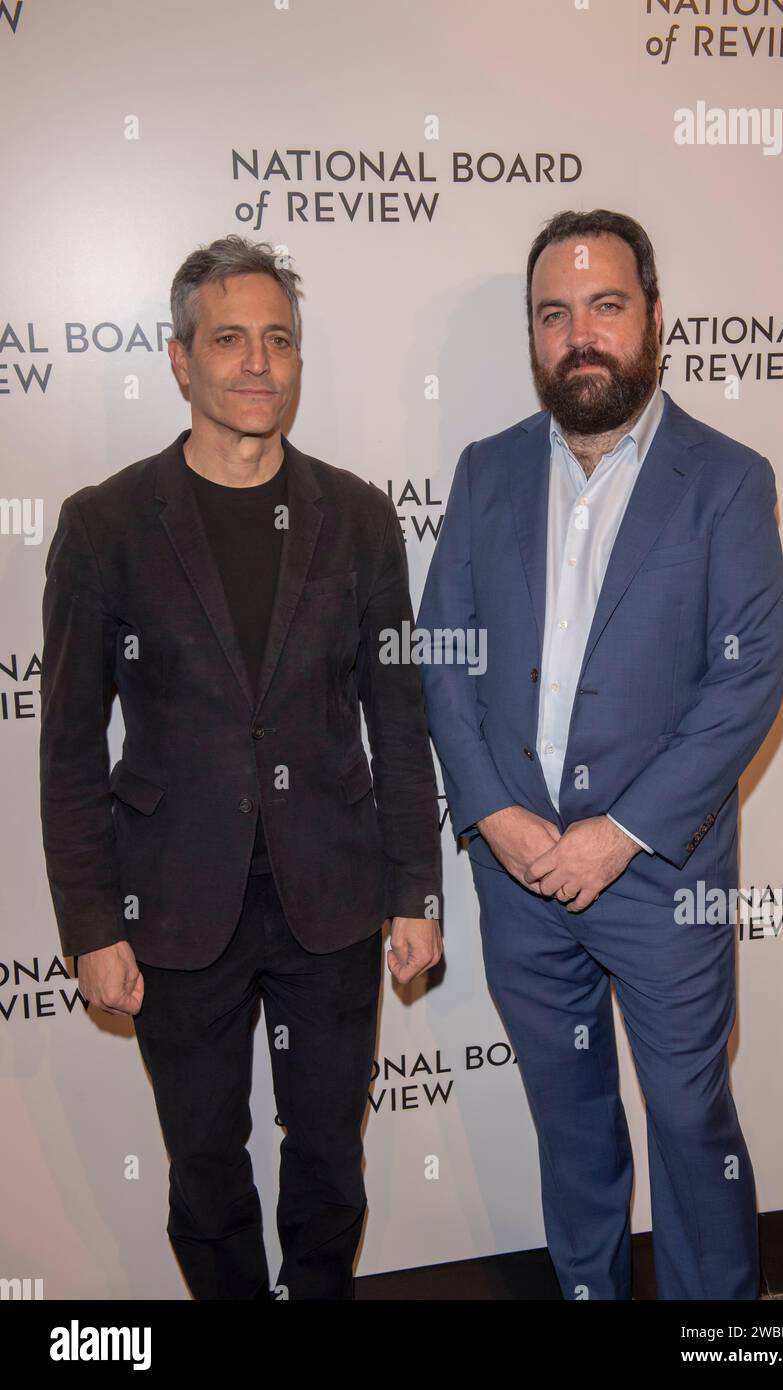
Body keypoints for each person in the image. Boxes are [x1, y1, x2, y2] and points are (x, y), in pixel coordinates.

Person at [39, 234, 443, 1301]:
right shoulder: (105, 525)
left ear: (299, 360)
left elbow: (397, 716)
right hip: (170, 904)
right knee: (206, 1171)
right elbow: (70, 747)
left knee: (327, 1162)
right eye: (229, 339)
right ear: (182, 361)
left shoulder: (356, 517)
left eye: (278, 340)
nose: (257, 362)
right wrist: (90, 922)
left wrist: (415, 888)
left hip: (334, 900)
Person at [417, 209, 783, 1300]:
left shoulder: (723, 478)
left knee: (686, 1118)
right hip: (518, 871)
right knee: (568, 1122)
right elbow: (441, 656)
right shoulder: (485, 474)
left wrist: (615, 837)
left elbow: (746, 682)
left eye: (606, 306)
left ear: (654, 320)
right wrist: (490, 813)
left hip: (659, 875)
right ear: (533, 338)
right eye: (554, 313)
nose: (580, 334)